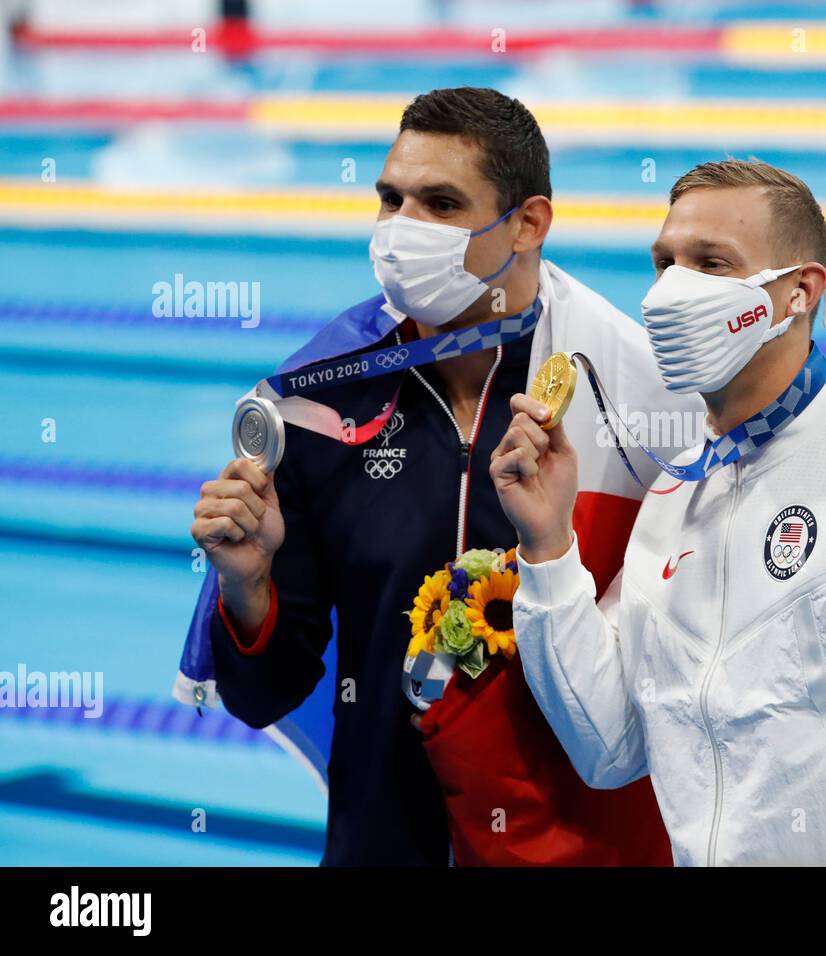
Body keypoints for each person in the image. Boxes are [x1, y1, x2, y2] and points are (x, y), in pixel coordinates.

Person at [180, 87, 700, 865]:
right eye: (390, 199)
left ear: (529, 223)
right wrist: (249, 587)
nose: (400, 230)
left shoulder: (640, 404)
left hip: (578, 847)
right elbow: (265, 694)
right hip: (385, 843)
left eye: (440, 203)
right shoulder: (321, 399)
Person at [490, 159, 826, 865]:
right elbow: (607, 746)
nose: (670, 291)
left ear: (798, 293)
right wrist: (547, 549)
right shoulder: (673, 496)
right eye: (664, 261)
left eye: (710, 263)